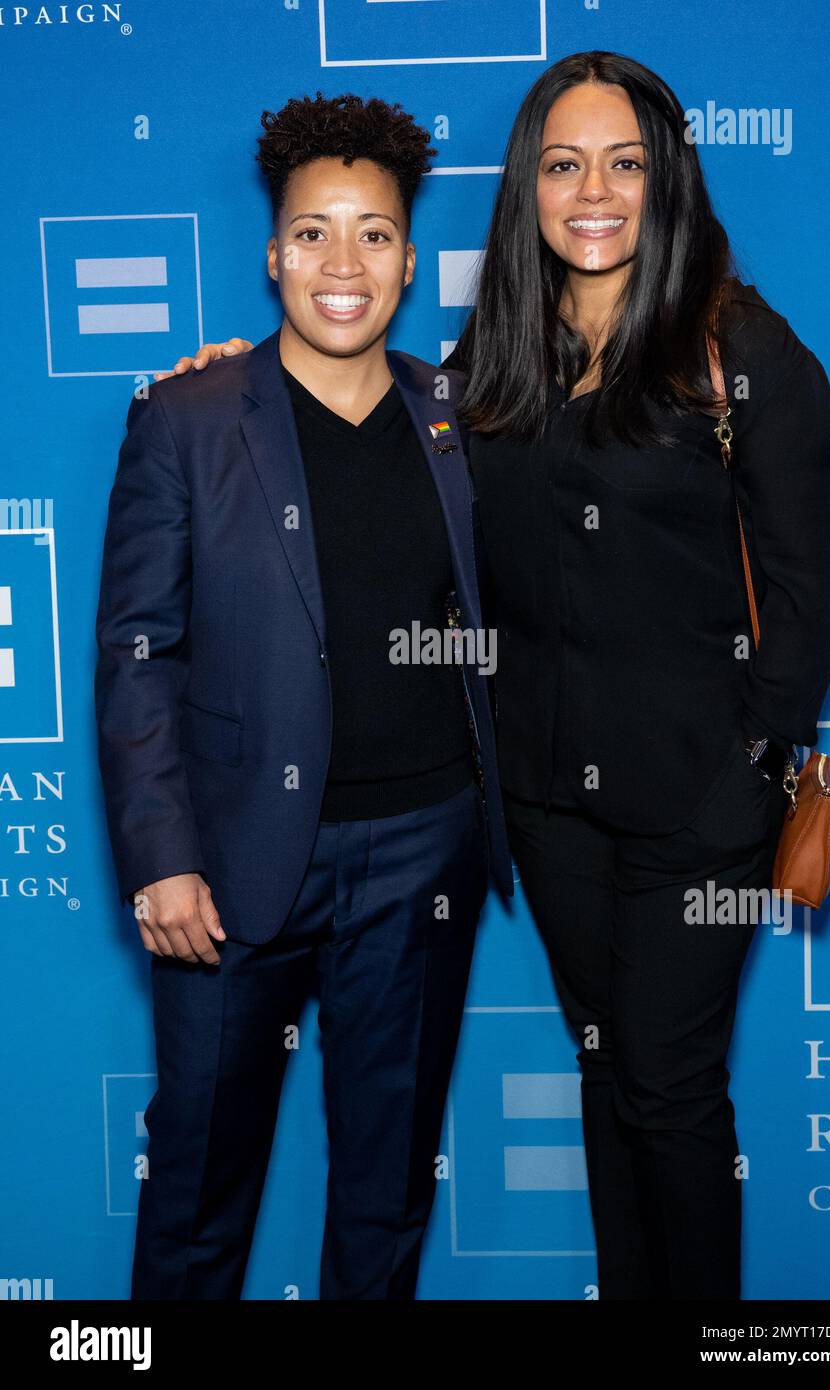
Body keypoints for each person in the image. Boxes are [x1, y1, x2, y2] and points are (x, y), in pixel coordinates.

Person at [170, 52, 830, 1300]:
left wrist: (749, 776)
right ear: (527, 186)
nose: (596, 191)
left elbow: (803, 605)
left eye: (626, 163)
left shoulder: (742, 350)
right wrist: (231, 385)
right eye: (564, 163)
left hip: (700, 810)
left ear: (669, 180)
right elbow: (356, 421)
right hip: (545, 803)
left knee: (672, 1086)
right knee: (608, 1073)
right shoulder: (496, 354)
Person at [94, 92, 512, 1303]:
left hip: (421, 852)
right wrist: (160, 853)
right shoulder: (186, 416)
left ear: (410, 258)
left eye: (374, 234)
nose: (344, 263)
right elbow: (136, 647)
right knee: (195, 1197)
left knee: (386, 1197)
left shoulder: (456, 417)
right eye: (315, 233)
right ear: (272, 253)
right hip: (229, 866)